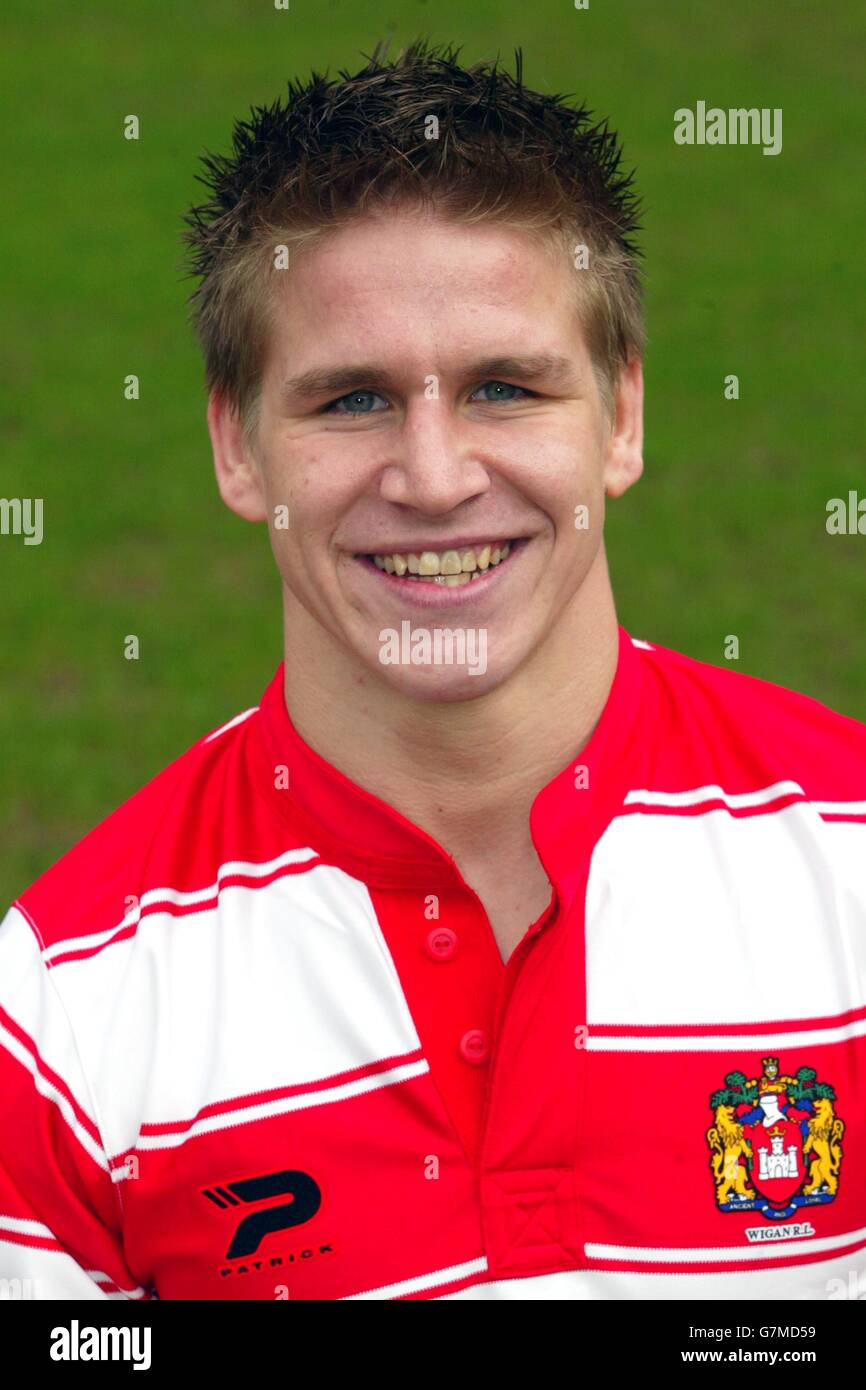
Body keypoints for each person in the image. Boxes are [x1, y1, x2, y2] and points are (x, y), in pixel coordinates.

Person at [1, 41, 864, 1302]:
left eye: (503, 387)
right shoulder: (61, 1019)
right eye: (349, 401)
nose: (434, 475)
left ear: (620, 416)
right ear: (237, 447)